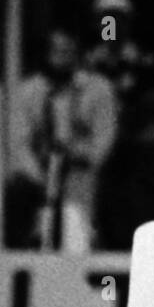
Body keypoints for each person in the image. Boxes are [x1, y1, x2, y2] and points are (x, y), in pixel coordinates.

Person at [7, 28, 117, 252]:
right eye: (56, 50)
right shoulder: (30, 90)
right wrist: (39, 177)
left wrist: (78, 158)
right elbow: (20, 142)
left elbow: (103, 142)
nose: (61, 57)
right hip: (40, 174)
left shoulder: (98, 89)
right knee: (18, 194)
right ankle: (24, 254)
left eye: (68, 51)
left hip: (82, 173)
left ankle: (92, 256)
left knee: (80, 220)